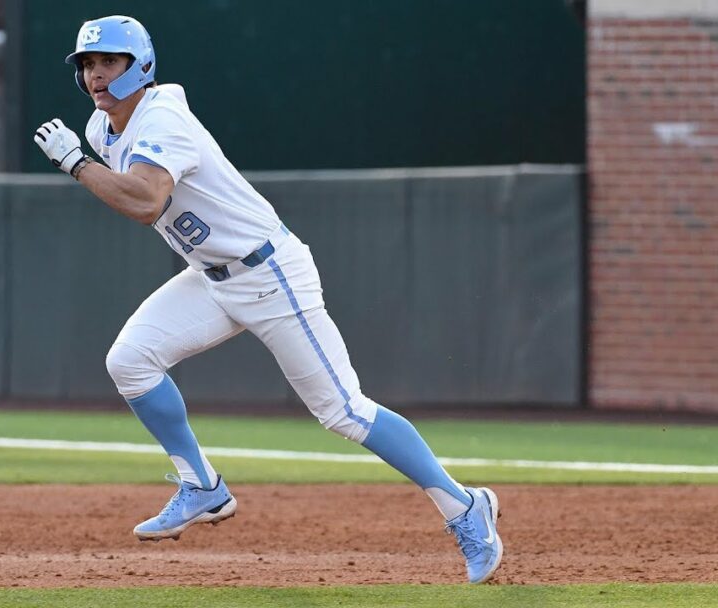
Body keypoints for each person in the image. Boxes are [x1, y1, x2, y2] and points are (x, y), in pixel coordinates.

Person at [33, 15, 503, 584]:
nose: (95, 76)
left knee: (344, 411)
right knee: (130, 360)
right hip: (212, 276)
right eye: (87, 65)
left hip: (269, 274)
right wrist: (86, 160)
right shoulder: (104, 127)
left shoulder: (162, 118)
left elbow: (146, 203)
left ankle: (464, 506)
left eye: (109, 62)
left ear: (142, 66)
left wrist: (75, 164)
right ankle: (202, 486)